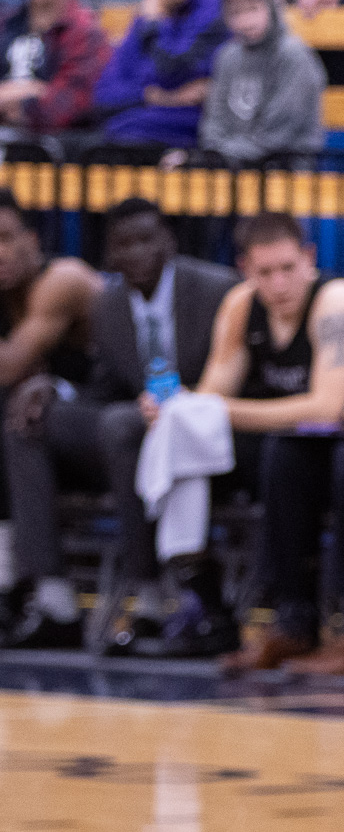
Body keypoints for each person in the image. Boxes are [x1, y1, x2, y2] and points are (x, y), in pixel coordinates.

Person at [3, 198, 237, 654]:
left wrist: (175, 405)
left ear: (169, 240)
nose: (136, 253)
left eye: (146, 239)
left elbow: (235, 370)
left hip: (203, 428)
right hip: (130, 426)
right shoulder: (107, 306)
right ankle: (54, 602)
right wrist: (55, 388)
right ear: (109, 255)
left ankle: (151, 601)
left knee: (122, 425)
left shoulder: (215, 289)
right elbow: (103, 387)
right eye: (123, 245)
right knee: (27, 418)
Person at [173, 213, 344, 673]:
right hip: (301, 449)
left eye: (288, 268)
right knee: (272, 454)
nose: (278, 284)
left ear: (309, 259)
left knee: (333, 461)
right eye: (265, 272)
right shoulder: (241, 306)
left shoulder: (336, 303)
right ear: (245, 269)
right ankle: (277, 618)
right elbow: (213, 394)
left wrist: (210, 409)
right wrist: (176, 408)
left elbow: (328, 406)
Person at [0, 187, 101, 647]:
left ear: (34, 240)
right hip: (56, 433)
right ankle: (11, 583)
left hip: (122, 414)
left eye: (5, 237)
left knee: (20, 420)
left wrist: (58, 387)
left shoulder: (61, 280)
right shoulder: (9, 295)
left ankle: (52, 600)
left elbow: (8, 365)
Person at [92, 0, 227, 150]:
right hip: (139, 135)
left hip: (199, 143)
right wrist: (158, 97)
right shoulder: (147, 15)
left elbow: (173, 67)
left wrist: (156, 12)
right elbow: (105, 95)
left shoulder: (218, 8)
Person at [198, 0, 326, 164]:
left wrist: (223, 154)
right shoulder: (227, 56)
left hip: (286, 167)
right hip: (234, 164)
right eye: (235, 12)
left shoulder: (294, 55)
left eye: (253, 8)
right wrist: (216, 152)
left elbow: (280, 134)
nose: (246, 21)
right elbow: (214, 121)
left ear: (272, 6)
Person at [0, 0, 111, 139]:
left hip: (51, 153)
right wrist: (32, 90)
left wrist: (15, 102)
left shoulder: (86, 33)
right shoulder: (4, 25)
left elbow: (65, 110)